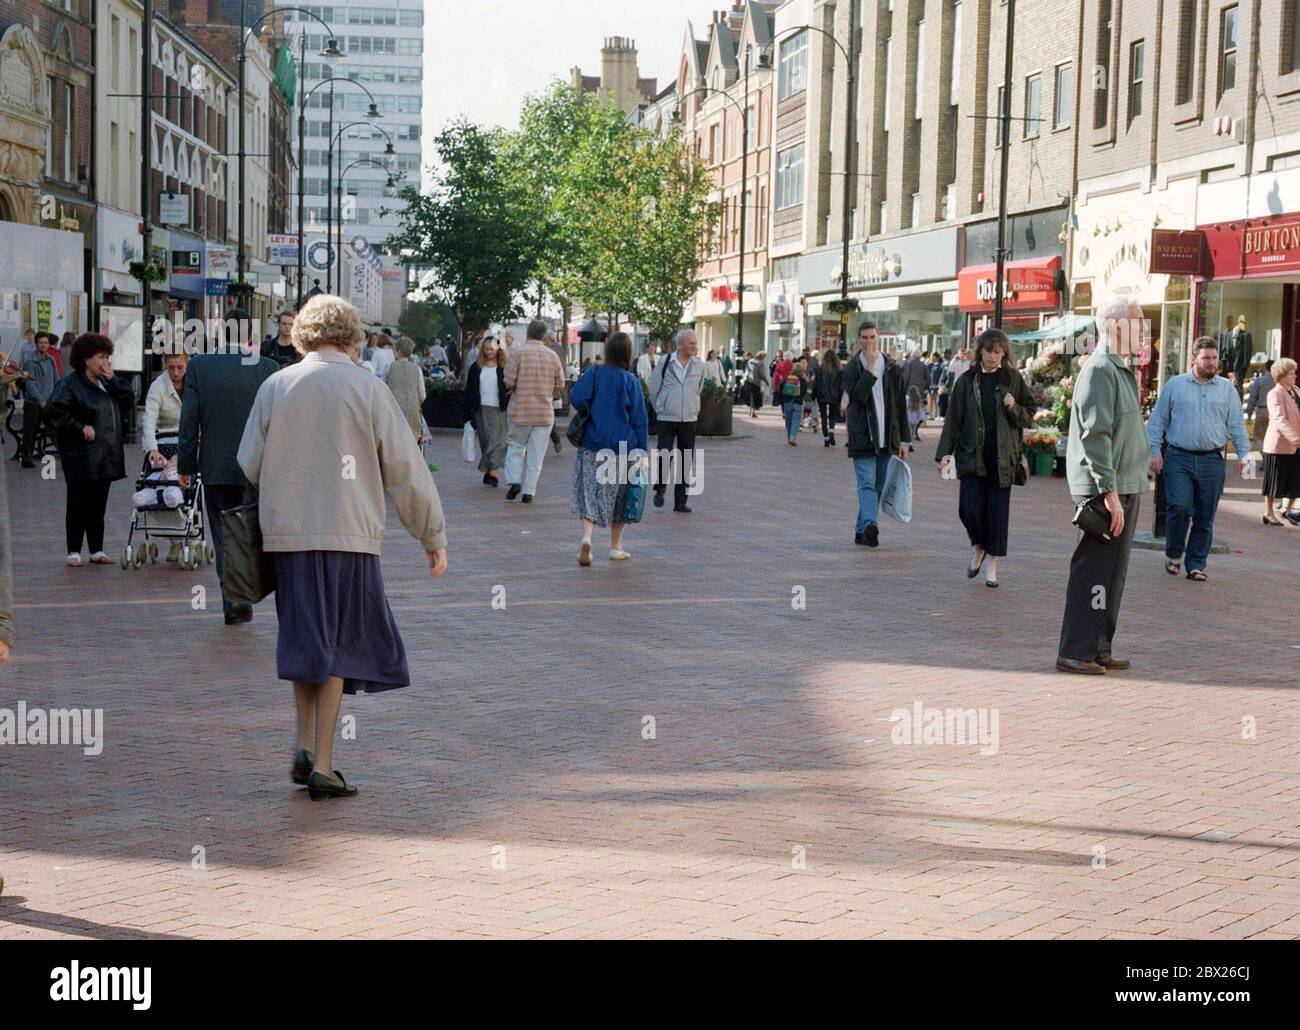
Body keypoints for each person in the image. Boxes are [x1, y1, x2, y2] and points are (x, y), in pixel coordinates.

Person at [237, 294, 447, 801]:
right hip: (349, 535)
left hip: (287, 537)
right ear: (353, 334)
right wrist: (431, 535)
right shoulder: (367, 387)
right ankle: (325, 765)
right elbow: (405, 470)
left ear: (304, 333)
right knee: (337, 644)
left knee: (306, 636)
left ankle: (304, 742)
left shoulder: (275, 385)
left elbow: (249, 461)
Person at [1056, 298, 1150, 675]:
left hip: (1124, 484)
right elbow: (1096, 436)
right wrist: (1109, 492)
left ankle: (1098, 646)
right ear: (1114, 326)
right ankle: (1076, 650)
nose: (1143, 330)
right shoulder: (1100, 368)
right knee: (1094, 571)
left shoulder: (1119, 368)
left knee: (1113, 573)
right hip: (1105, 488)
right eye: (1138, 323)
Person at [177, 308, 279, 624]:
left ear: (221, 333)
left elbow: (189, 419)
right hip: (257, 467)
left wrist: (186, 464)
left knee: (223, 535)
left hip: (216, 465)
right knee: (251, 533)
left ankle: (233, 599)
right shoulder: (268, 368)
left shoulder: (200, 366)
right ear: (250, 336)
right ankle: (247, 592)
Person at [935, 328, 1035, 588]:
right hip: (972, 455)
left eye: (998, 352)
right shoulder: (967, 381)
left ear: (1004, 354)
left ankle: (991, 565)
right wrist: (944, 455)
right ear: (980, 351)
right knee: (967, 509)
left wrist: (1014, 407)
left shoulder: (1012, 379)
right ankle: (978, 545)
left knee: (997, 513)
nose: (992, 357)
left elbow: (1030, 414)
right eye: (988, 351)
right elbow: (953, 421)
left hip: (1003, 456)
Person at [1145, 337, 1250, 580]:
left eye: (1214, 358)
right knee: (1179, 506)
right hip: (1178, 457)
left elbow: (1236, 425)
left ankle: (1196, 565)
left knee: (1205, 514)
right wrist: (1154, 452)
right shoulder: (1175, 385)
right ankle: (1173, 553)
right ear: (1194, 359)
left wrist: (1244, 454)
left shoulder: (1227, 389)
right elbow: (1158, 421)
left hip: (1211, 460)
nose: (1211, 363)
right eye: (1206, 358)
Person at [45, 333, 133, 566]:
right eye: (100, 357)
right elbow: (55, 412)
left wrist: (113, 379)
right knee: (78, 501)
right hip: (81, 454)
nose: (105, 361)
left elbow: (128, 400)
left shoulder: (106, 381)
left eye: (107, 357)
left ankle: (96, 549)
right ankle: (74, 550)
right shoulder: (70, 384)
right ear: (86, 359)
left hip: (105, 453)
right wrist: (79, 426)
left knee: (98, 503)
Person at [569, 331, 649, 565]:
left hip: (593, 443)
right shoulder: (631, 381)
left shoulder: (595, 373)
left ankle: (587, 538)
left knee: (590, 493)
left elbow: (576, 397)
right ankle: (615, 547)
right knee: (620, 497)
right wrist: (642, 451)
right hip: (623, 447)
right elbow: (639, 420)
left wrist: (592, 404)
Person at [841, 321, 910, 548]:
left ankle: (862, 530)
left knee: (878, 486)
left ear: (878, 338)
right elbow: (858, 397)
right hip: (862, 436)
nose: (868, 342)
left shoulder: (892, 367)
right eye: (864, 338)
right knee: (867, 484)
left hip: (886, 437)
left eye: (872, 337)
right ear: (858, 340)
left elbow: (900, 405)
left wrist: (904, 439)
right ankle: (871, 524)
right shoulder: (852, 369)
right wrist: (869, 370)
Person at [502, 319, 565, 503]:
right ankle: (529, 491)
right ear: (545, 336)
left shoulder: (518, 353)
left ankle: (514, 480)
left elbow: (509, 380)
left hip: (520, 409)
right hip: (544, 412)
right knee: (537, 454)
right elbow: (560, 383)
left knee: (515, 447)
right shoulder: (552, 356)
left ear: (528, 333)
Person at [649, 328, 705, 513]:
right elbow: (654, 388)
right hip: (667, 417)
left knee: (685, 459)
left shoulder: (699, 365)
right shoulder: (666, 362)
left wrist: (694, 407)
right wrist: (660, 407)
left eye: (695, 343)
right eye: (691, 343)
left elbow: (698, 389)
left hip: (689, 418)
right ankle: (660, 488)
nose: (695, 346)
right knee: (665, 454)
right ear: (680, 344)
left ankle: (680, 501)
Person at [465, 335, 509, 486]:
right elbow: (469, 390)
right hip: (481, 408)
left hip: (500, 409)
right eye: (487, 349)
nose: (489, 352)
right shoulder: (476, 367)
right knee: (486, 441)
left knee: (498, 442)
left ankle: (494, 474)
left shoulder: (504, 367)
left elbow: (510, 386)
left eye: (492, 349)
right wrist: (467, 412)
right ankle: (489, 470)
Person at [1261, 358, 1300, 526]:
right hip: (1279, 445)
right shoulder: (1275, 393)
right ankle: (1268, 513)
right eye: (1291, 373)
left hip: (1296, 444)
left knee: (1296, 480)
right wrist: (1295, 439)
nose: (1294, 376)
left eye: (1294, 372)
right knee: (1274, 482)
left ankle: (1288, 511)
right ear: (1281, 376)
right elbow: (1279, 419)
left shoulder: (1296, 390)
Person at [19, 332, 58, 468]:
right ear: (36, 344)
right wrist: (40, 400)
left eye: (46, 343)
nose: (44, 345)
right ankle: (26, 458)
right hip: (34, 403)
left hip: (49, 402)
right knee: (31, 431)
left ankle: (66, 455)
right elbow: (30, 385)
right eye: (41, 342)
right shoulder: (30, 362)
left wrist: (56, 397)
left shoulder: (51, 360)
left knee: (55, 429)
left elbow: (56, 379)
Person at [382, 336, 426, 443]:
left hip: (393, 407)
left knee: (394, 439)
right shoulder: (417, 369)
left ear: (398, 351)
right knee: (410, 439)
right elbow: (422, 394)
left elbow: (383, 388)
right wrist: (416, 403)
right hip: (412, 409)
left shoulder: (390, 367)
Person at [813, 347, 843, 447]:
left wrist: (813, 396)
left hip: (822, 395)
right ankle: (831, 430)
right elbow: (841, 385)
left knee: (823, 416)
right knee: (832, 415)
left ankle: (826, 438)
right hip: (835, 395)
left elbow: (816, 384)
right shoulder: (839, 370)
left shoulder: (820, 369)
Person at [1216, 315, 1252, 395]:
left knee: (1238, 386)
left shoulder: (1246, 335)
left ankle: (1238, 403)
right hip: (1227, 365)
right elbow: (1224, 349)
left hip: (1239, 366)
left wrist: (1245, 366)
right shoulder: (1227, 334)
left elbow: (1248, 351)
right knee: (1225, 385)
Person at [1246, 359, 1275, 455]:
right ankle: (1269, 457)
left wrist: (1249, 413)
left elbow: (1252, 398)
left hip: (1262, 410)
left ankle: (1264, 454)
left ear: (1265, 368)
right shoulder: (1278, 382)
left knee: (1258, 435)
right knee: (1272, 437)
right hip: (1275, 412)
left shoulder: (1259, 381)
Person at [780, 358, 809, 445]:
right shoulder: (802, 380)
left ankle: (789, 437)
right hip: (798, 402)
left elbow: (781, 387)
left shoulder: (787, 378)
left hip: (787, 402)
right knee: (796, 420)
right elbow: (803, 392)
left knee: (788, 420)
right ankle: (793, 436)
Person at [745, 350, 769, 418]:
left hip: (748, 380)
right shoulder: (761, 363)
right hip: (756, 382)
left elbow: (747, 371)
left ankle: (750, 411)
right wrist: (766, 381)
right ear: (763, 357)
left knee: (750, 397)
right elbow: (761, 374)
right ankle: (753, 412)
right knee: (755, 398)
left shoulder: (750, 361)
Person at [906, 386, 925, 451]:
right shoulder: (918, 401)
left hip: (908, 418)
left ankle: (909, 443)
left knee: (909, 431)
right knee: (913, 432)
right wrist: (922, 419)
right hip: (915, 419)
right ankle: (911, 444)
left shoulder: (908, 400)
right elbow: (921, 411)